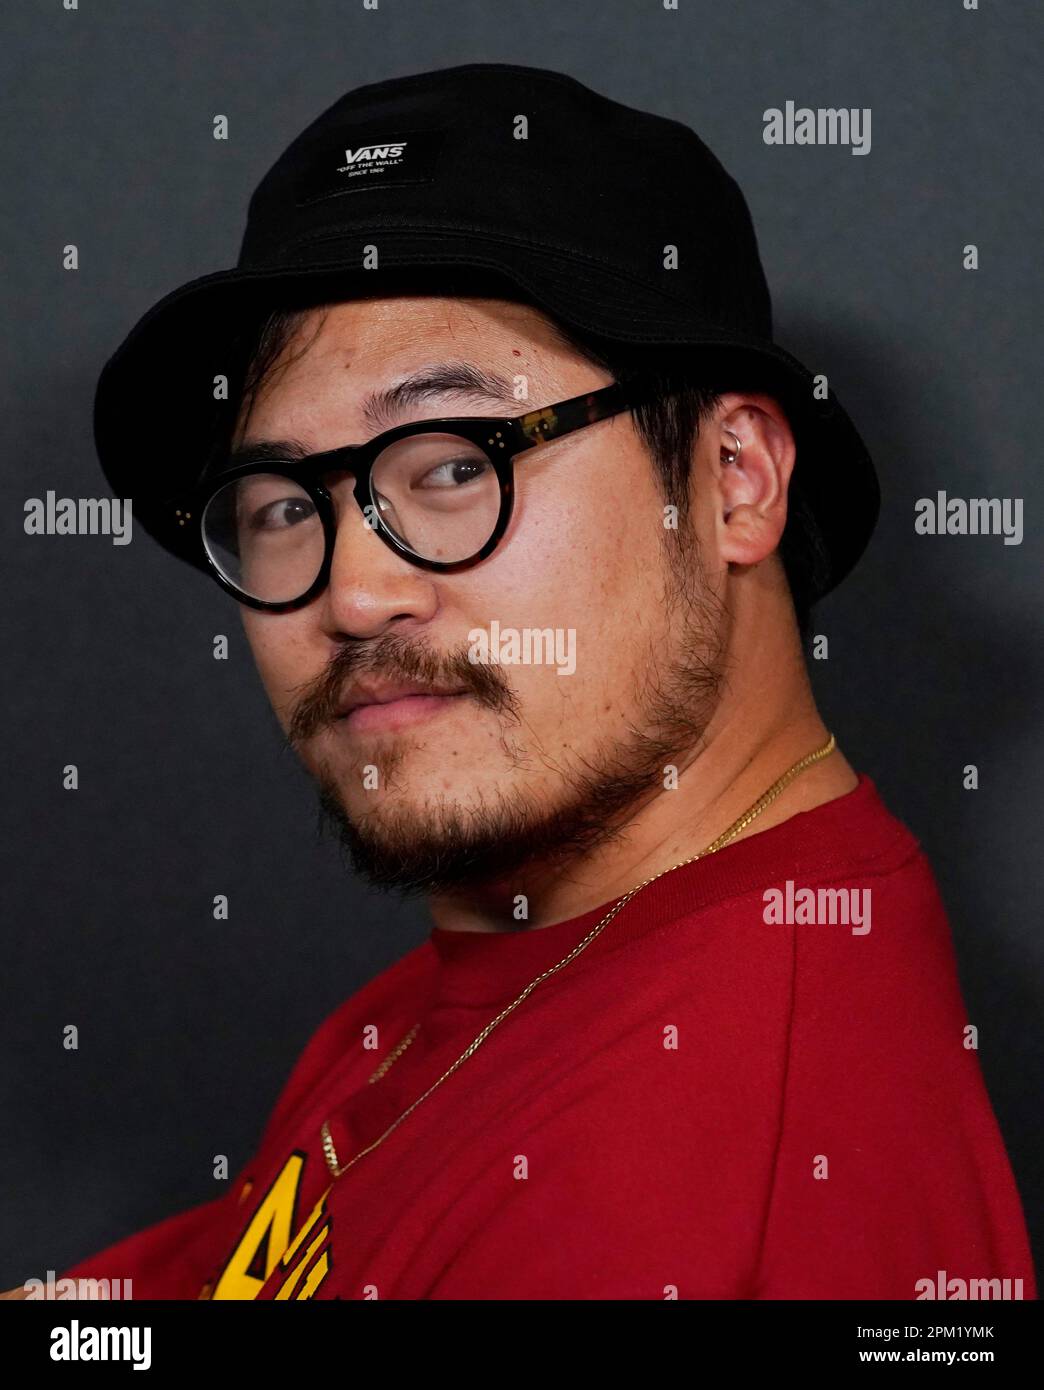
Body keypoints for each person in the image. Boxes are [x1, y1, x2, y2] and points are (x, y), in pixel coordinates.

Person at [34, 63, 1034, 1300]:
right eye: (289, 502)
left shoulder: (695, 1189)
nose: (354, 594)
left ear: (733, 477)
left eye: (453, 465)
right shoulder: (502, 962)